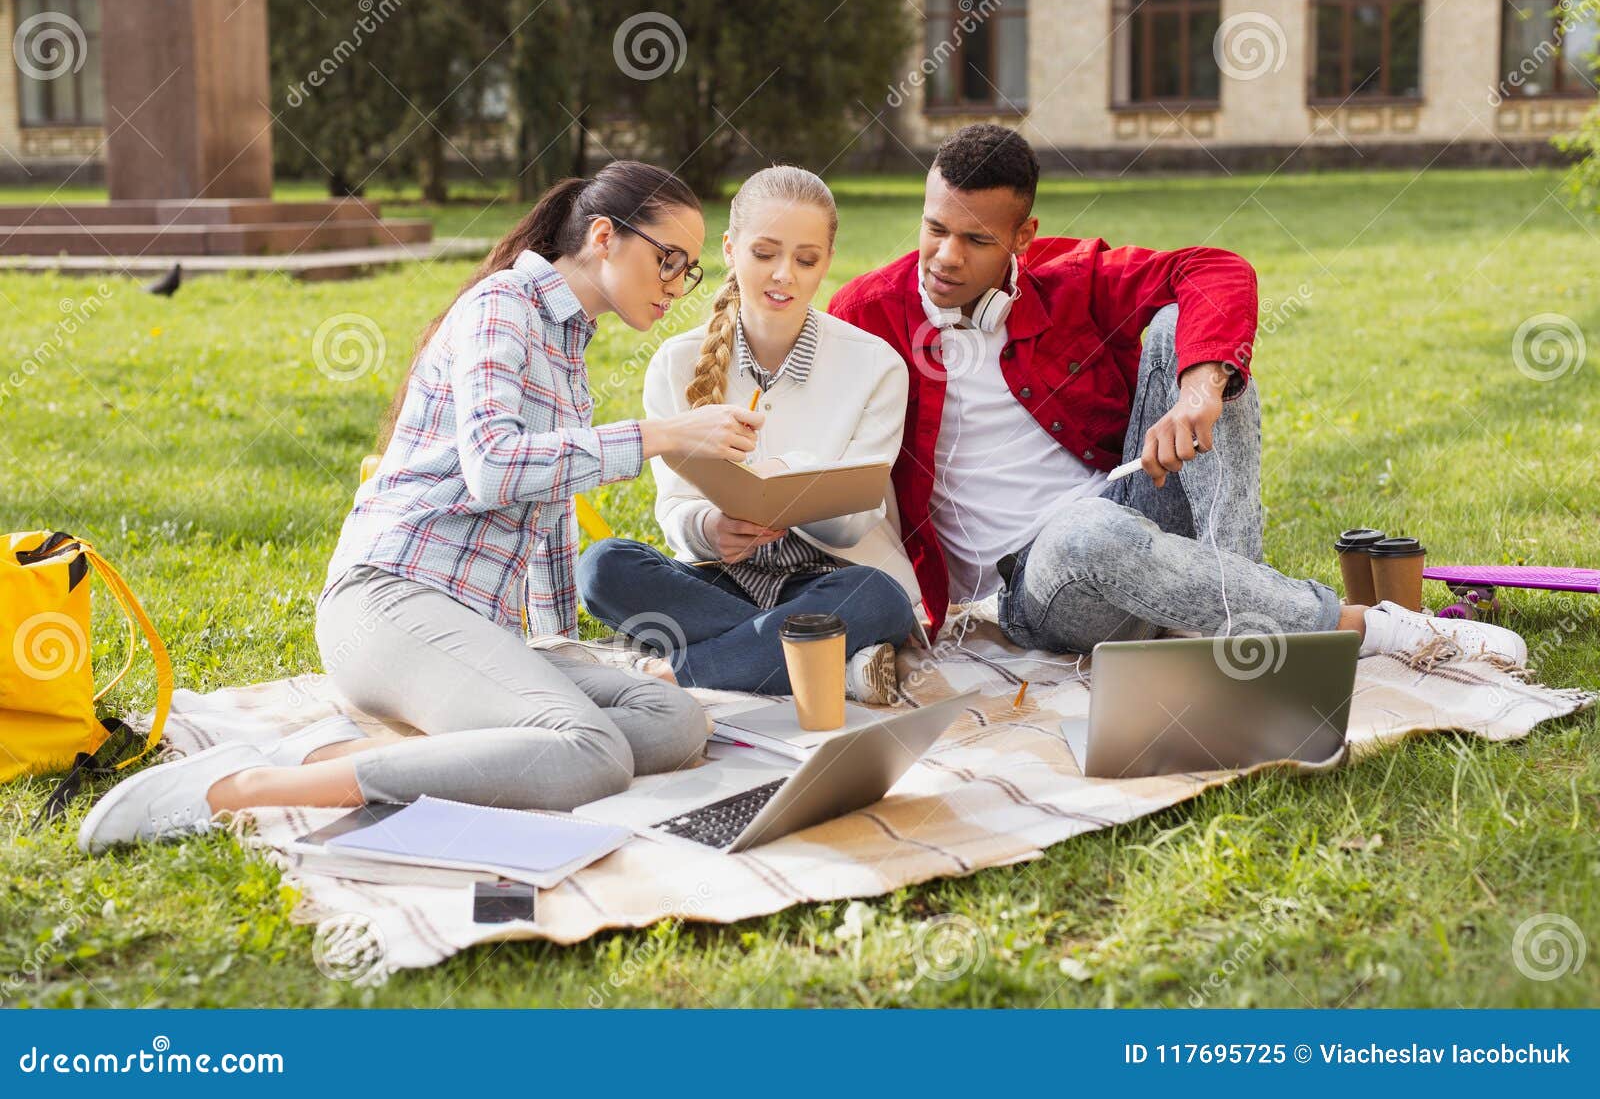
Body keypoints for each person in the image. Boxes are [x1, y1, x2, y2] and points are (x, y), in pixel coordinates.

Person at [80, 161, 763, 853]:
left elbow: (550, 519)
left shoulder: (569, 351)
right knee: (594, 752)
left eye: (690, 271)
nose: (676, 284)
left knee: (673, 721)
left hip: (475, 632)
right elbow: (495, 466)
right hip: (389, 602)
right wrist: (662, 435)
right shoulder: (503, 305)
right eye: (667, 259)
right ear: (604, 236)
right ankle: (248, 786)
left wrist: (553, 652)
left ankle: (424, 751)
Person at [827, 123, 1526, 667]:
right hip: (1036, 589)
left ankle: (1236, 599)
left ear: (1023, 237)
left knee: (1190, 339)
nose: (947, 257)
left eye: (976, 240)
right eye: (935, 229)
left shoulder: (1068, 275)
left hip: (1138, 510)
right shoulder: (867, 311)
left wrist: (1201, 385)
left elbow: (1217, 269)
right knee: (1087, 534)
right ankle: (1366, 629)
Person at [578, 166, 920, 701]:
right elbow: (675, 507)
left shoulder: (877, 366)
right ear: (730, 249)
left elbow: (855, 523)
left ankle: (684, 672)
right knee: (603, 568)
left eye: (806, 260)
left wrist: (789, 477)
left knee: (878, 598)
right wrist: (709, 528)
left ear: (827, 260)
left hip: (834, 578)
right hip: (724, 581)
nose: (784, 275)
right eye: (764, 254)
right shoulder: (675, 362)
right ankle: (826, 661)